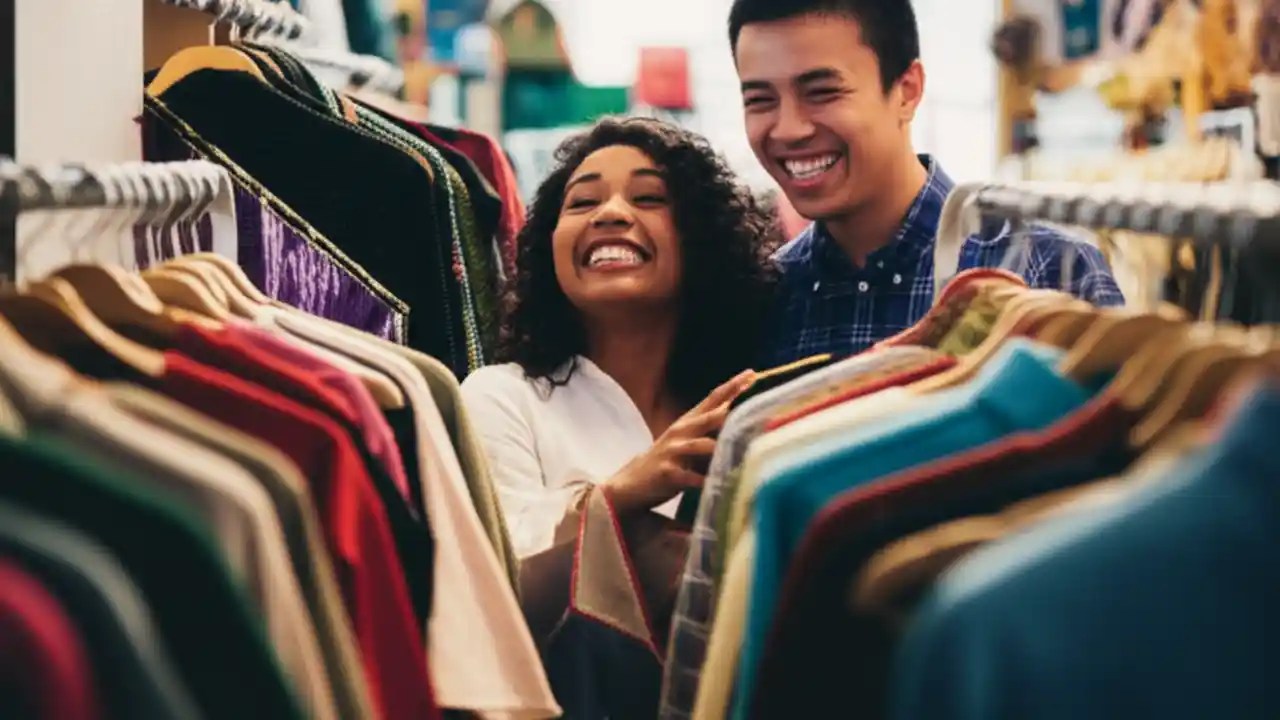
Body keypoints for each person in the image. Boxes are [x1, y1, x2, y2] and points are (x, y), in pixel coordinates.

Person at [728, 0, 1127, 367]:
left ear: (907, 91)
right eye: (760, 100)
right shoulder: (762, 301)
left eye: (822, 93)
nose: (789, 129)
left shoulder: (1046, 271)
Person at [460, 117, 779, 560]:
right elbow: (494, 564)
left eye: (649, 198)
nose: (609, 213)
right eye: (582, 202)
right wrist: (623, 493)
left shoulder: (746, 403)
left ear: (704, 239)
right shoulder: (501, 397)